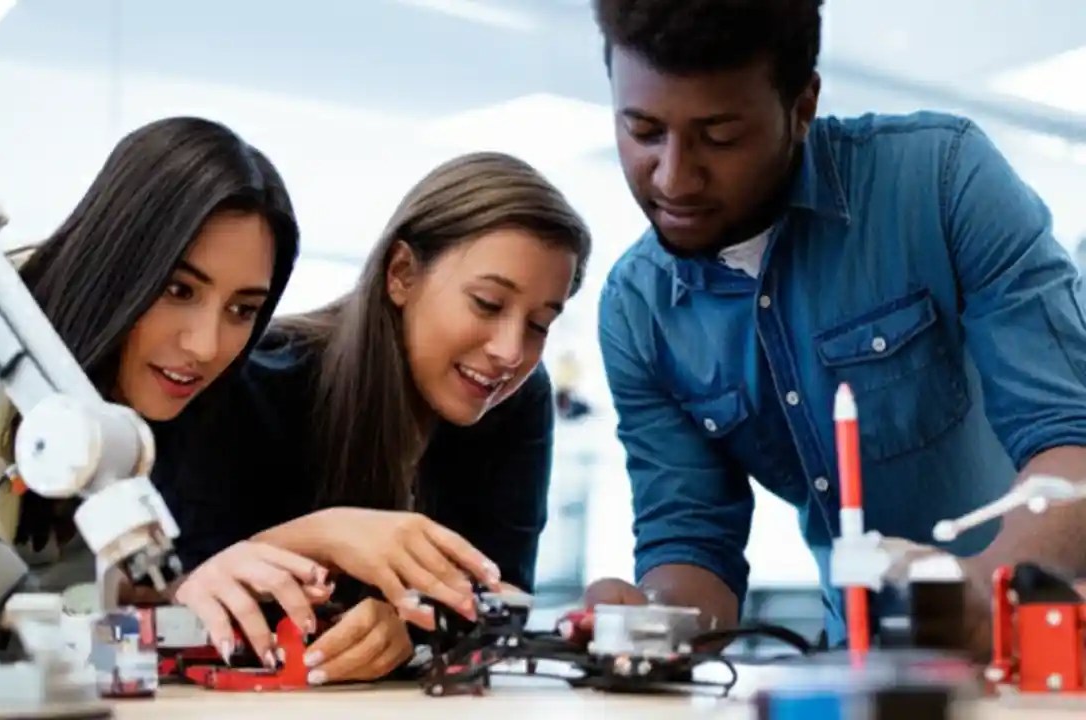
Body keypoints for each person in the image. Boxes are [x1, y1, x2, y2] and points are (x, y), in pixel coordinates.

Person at [582, 0, 1086, 659]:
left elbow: (1070, 441)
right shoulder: (639, 311)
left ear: (802, 105)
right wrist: (651, 622)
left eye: (721, 136)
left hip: (1037, 645)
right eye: (643, 131)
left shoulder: (944, 180)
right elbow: (691, 539)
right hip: (858, 660)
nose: (673, 177)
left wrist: (975, 596)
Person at [0, 116, 333, 687]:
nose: (205, 346)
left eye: (242, 310)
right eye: (178, 290)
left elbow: (75, 616)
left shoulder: (130, 412)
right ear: (117, 267)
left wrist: (180, 596)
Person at [161, 151, 593, 685]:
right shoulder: (253, 383)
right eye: (486, 303)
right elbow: (178, 602)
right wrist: (322, 535)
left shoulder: (516, 403)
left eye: (540, 324)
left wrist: (407, 633)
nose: (510, 351)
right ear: (402, 274)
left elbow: (499, 605)